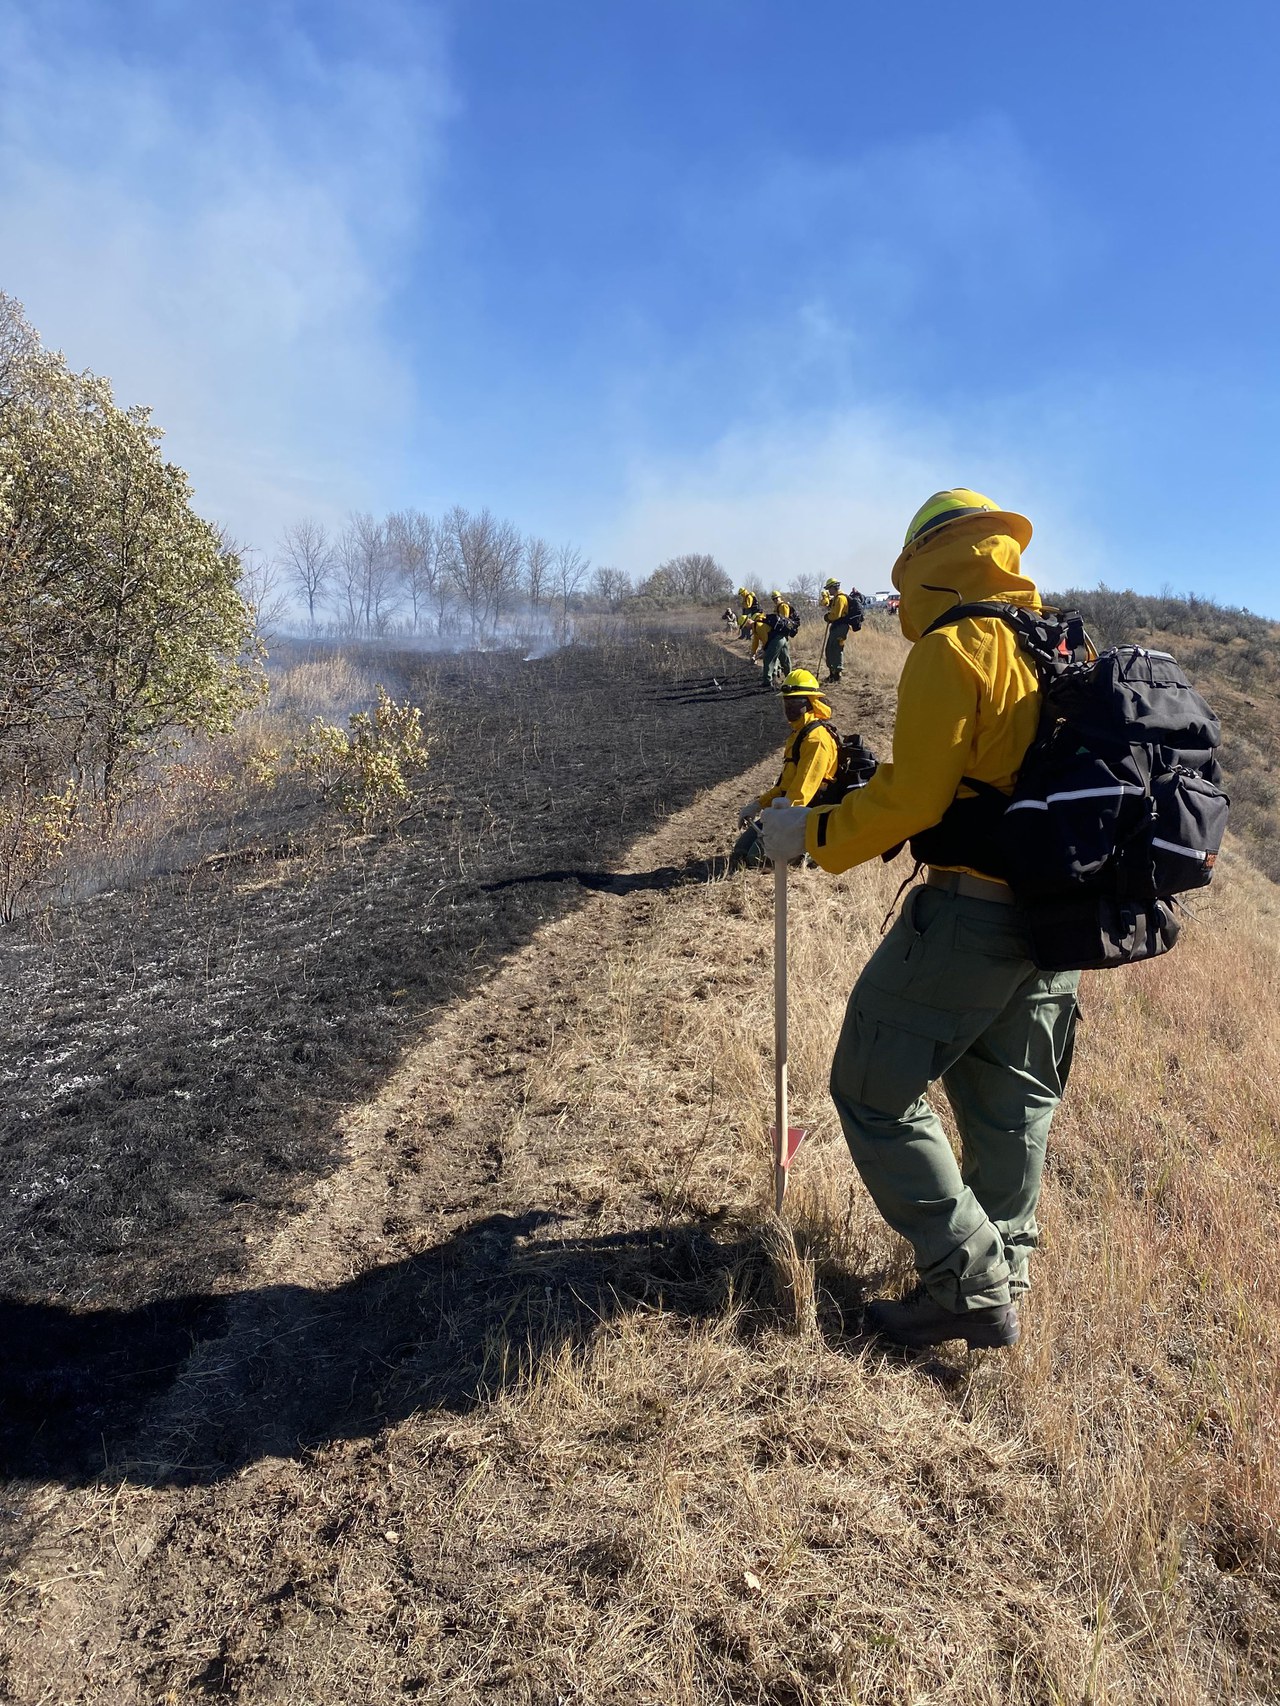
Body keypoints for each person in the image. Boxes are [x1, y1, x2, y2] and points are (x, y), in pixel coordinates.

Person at [759, 488, 1081, 1352]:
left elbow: (916, 797)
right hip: (1060, 924)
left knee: (868, 1087)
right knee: (1011, 1112)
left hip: (970, 917)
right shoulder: (1056, 644)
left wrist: (811, 832)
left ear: (924, 563)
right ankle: (999, 1275)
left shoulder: (954, 647)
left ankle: (970, 1282)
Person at [730, 670, 838, 869]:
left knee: (755, 861)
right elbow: (785, 786)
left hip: (805, 817)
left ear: (809, 703)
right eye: (787, 702)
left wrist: (777, 827)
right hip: (789, 811)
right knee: (740, 853)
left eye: (795, 703)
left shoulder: (816, 740)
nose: (789, 707)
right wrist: (758, 806)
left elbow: (800, 796)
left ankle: (809, 854)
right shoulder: (798, 734)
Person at [752, 607, 792, 689]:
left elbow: (766, 639)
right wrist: (754, 653)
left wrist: (764, 649)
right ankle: (790, 679)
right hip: (783, 639)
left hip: (776, 640)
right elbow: (755, 641)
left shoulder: (758, 626)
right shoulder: (763, 623)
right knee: (785, 660)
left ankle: (767, 681)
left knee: (768, 659)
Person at [822, 578, 851, 681]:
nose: (829, 591)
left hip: (841, 626)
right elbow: (825, 604)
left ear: (833, 587)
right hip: (837, 626)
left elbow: (836, 615)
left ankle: (837, 675)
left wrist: (828, 617)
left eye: (829, 589)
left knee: (837, 649)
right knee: (830, 649)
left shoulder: (840, 598)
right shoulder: (836, 598)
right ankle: (832, 673)